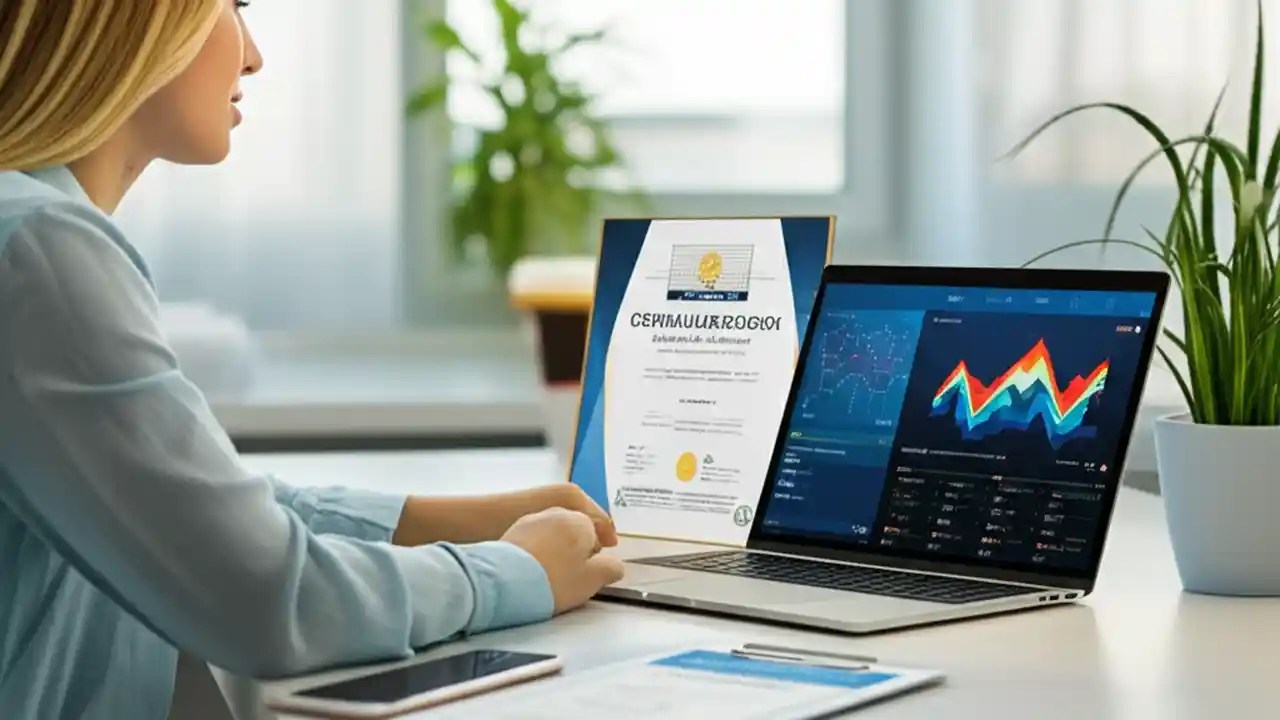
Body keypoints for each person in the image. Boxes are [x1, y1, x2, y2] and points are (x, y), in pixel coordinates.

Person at [0, 1, 625, 717]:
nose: (255, 55)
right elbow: (263, 598)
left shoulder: (27, 230)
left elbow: (194, 510)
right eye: (232, 7)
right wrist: (516, 572)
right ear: (134, 22)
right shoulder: (39, 252)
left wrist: (455, 518)